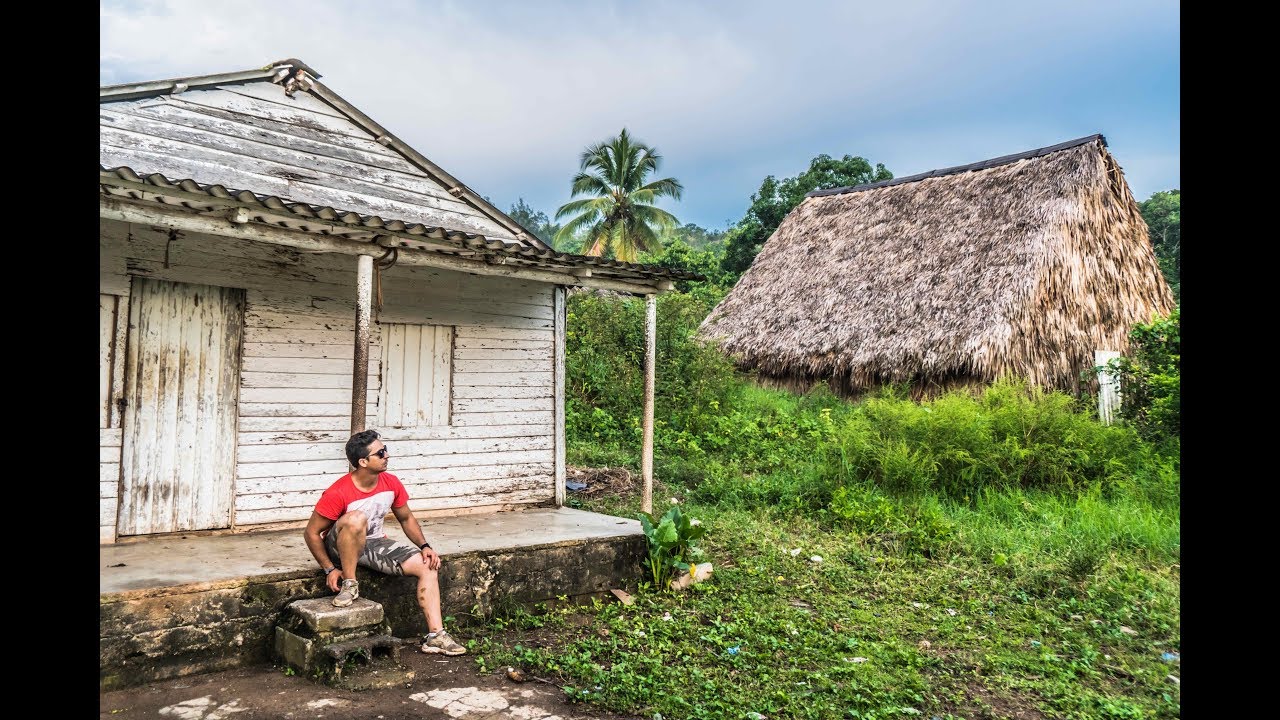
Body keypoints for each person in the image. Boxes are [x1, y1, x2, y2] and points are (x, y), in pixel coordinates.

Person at [303, 429, 466, 656]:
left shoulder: (391, 482)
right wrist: (329, 568)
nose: (386, 455)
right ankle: (350, 584)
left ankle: (436, 636)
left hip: (374, 544)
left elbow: (406, 518)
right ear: (363, 462)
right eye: (380, 453)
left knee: (427, 565)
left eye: (385, 449)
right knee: (356, 518)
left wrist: (425, 546)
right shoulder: (338, 491)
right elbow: (311, 533)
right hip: (339, 546)